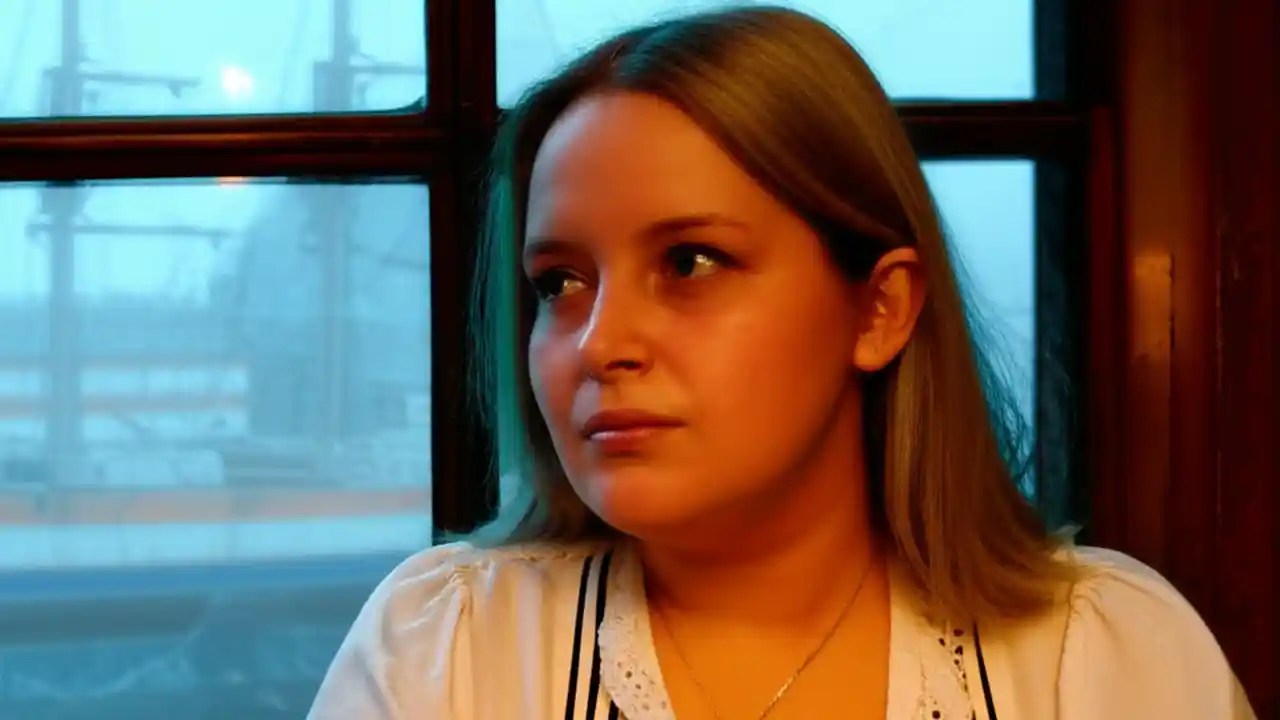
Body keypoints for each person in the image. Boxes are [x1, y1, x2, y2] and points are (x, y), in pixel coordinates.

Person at [308, 6, 1255, 719]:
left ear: (879, 309)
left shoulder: (1105, 661)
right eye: (560, 282)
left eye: (691, 262)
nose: (598, 343)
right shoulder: (446, 656)